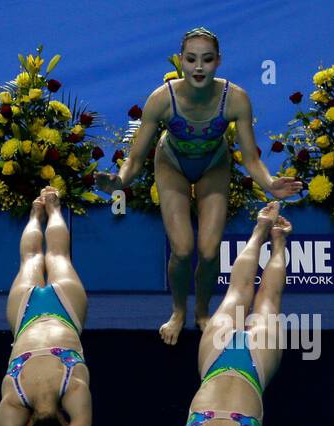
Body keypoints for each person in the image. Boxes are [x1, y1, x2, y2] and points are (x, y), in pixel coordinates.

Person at [95, 28, 302, 343]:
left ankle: (202, 312)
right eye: (191, 59)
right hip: (172, 164)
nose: (199, 67)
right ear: (181, 61)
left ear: (218, 61)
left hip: (213, 166)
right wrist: (120, 181)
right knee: (182, 248)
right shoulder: (162, 99)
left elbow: (250, 158)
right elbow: (135, 159)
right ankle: (178, 311)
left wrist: (271, 184)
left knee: (208, 252)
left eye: (207, 59)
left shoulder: (236, 99)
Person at [172, 202, 290, 426]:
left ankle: (273, 240)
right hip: (217, 362)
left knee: (265, 300)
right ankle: (265, 233)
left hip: (248, 376)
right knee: (244, 292)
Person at [0, 187, 91, 426]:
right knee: (32, 258)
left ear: (65, 425)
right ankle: (41, 213)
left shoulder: (76, 391)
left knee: (56, 256)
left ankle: (49, 210)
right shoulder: (12, 399)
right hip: (25, 315)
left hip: (65, 310)